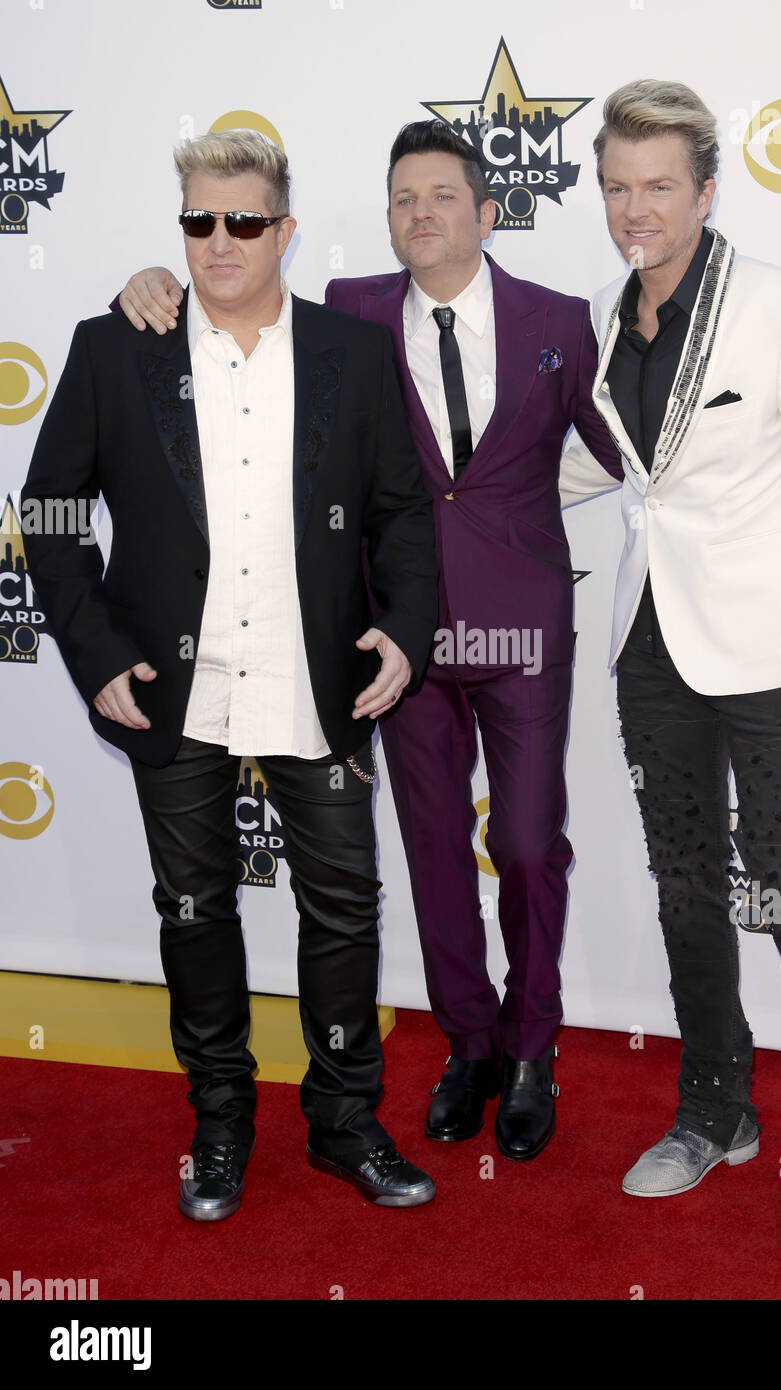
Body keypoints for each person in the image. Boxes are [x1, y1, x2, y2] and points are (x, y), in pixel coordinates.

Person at [115, 120, 624, 1161]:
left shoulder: (561, 321)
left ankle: (533, 1050)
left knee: (526, 845)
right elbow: (227, 285)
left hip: (522, 625)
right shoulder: (345, 315)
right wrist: (154, 279)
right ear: (386, 219)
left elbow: (628, 453)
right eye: (402, 198)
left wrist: (530, 506)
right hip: (394, 637)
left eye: (443, 195)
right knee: (434, 851)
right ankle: (468, 1044)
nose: (421, 212)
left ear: (488, 213)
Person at [21, 129, 440, 1221]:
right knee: (196, 909)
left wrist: (403, 626)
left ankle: (345, 1121)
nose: (218, 242)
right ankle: (220, 1123)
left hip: (322, 681)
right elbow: (52, 514)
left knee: (344, 910)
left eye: (243, 221)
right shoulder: (117, 348)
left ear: (284, 231)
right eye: (198, 221)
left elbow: (399, 511)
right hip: (173, 684)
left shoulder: (350, 353)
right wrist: (96, 649)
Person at [559, 80, 781, 1261]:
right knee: (686, 888)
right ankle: (716, 1107)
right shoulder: (602, 319)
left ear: (705, 189)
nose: (634, 210)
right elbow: (596, 473)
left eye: (658, 187)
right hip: (650, 648)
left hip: (775, 658)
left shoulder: (779, 308)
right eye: (615, 188)